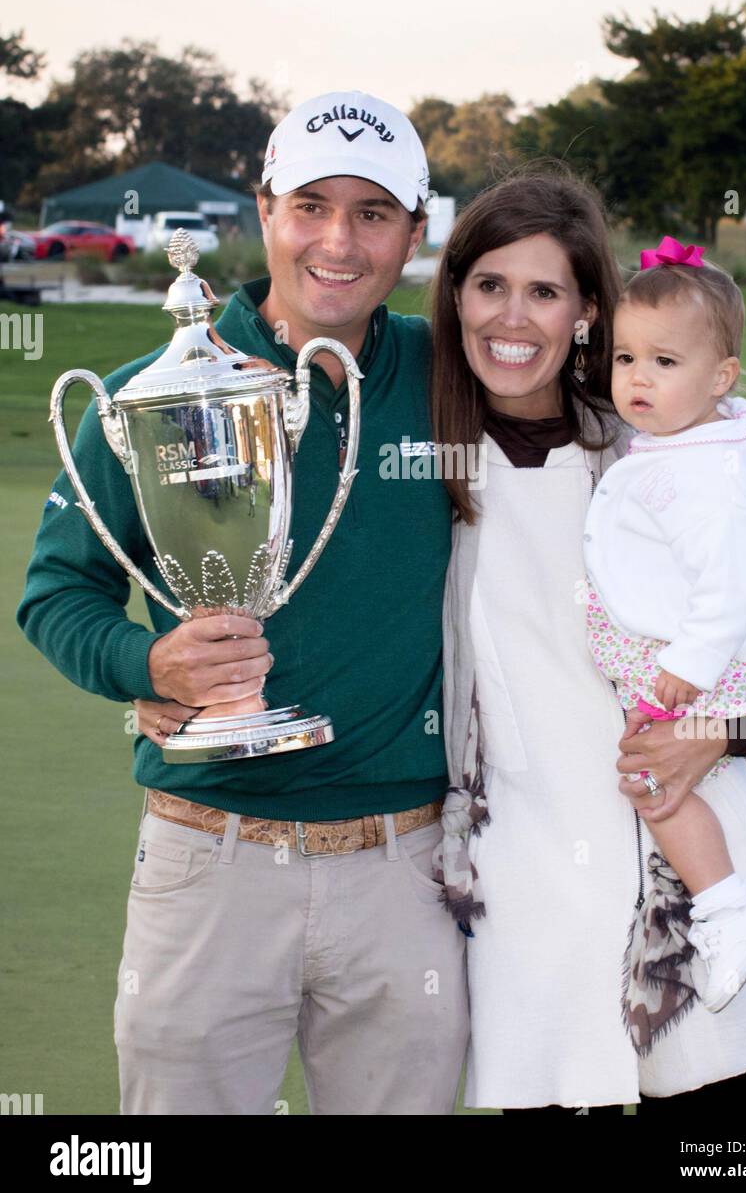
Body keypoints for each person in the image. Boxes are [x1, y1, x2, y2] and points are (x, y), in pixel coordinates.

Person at [17, 90, 469, 1116]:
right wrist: (148, 666)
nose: (338, 242)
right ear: (262, 210)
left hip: (407, 866)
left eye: (372, 213)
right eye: (310, 205)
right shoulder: (151, 393)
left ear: (413, 228)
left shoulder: (451, 379)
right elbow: (57, 593)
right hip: (209, 854)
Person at [430, 168, 746, 1113]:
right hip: (529, 887)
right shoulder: (423, 455)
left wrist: (719, 732)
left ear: (586, 313)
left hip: (690, 874)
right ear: (456, 296)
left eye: (546, 292)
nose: (515, 317)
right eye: (491, 285)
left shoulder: (661, 444)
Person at [583, 238, 746, 1014]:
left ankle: (727, 907)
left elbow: (725, 585)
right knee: (743, 763)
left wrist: (683, 670)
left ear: (719, 376)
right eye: (624, 360)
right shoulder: (737, 426)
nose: (636, 380)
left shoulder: (698, 475)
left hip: (717, 657)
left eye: (663, 362)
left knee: (648, 773)